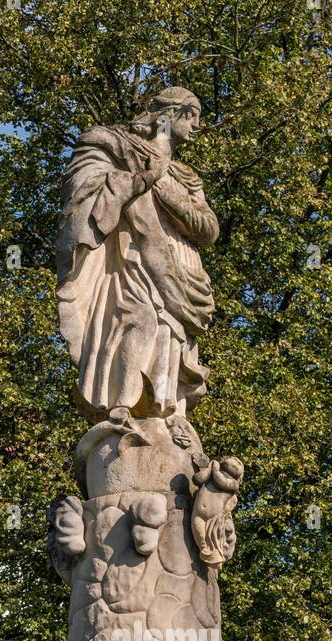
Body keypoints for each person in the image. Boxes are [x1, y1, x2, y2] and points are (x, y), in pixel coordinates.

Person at [56, 87, 219, 422]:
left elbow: (209, 230)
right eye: (192, 116)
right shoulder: (115, 146)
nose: (196, 126)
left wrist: (163, 188)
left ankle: (165, 414)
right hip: (129, 255)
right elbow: (84, 189)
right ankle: (121, 406)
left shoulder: (186, 177)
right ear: (170, 115)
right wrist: (141, 178)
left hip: (181, 270)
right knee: (139, 319)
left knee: (169, 334)